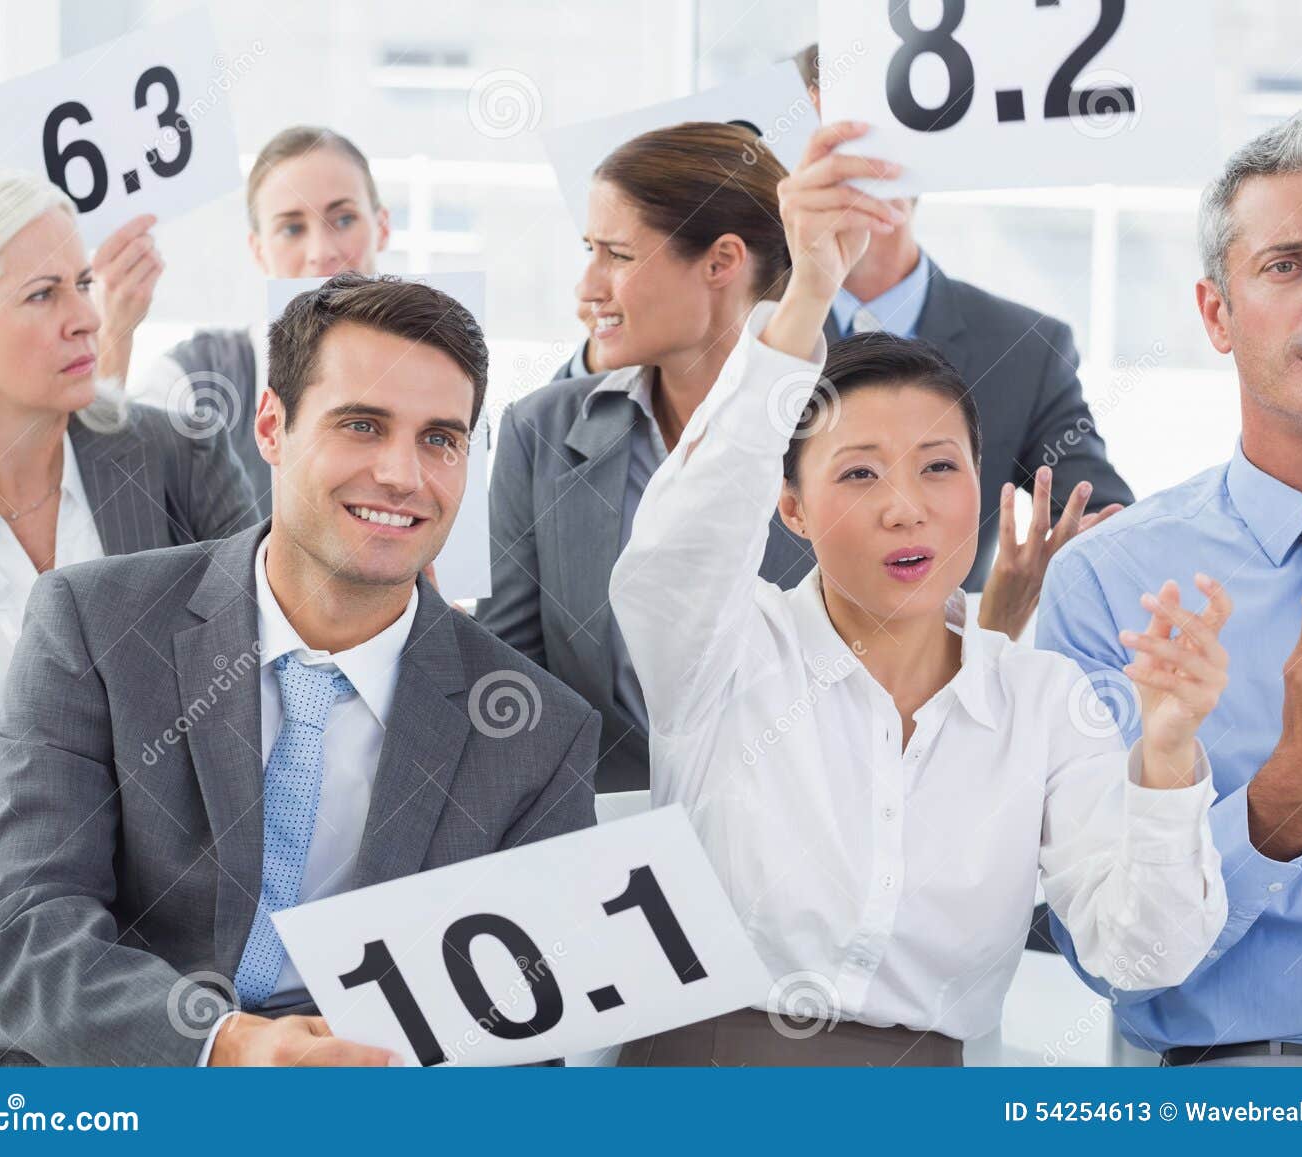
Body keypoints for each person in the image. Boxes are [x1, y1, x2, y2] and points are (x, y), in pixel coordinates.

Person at [608, 122, 1230, 1066]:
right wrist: (809, 290)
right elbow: (679, 545)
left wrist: (1171, 759)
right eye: (858, 474)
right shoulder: (723, 654)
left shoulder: (1043, 703)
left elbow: (1140, 951)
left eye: (941, 467)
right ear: (792, 508)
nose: (908, 508)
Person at [0, 273, 599, 1066]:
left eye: (440, 438)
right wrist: (224, 1047)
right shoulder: (93, 625)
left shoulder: (537, 729)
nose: (404, 475)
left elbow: (520, 1031)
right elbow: (24, 925)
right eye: (363, 425)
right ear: (271, 426)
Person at [485, 122, 1114, 793]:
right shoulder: (543, 428)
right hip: (599, 848)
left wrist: (991, 628)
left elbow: (901, 664)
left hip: (815, 834)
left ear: (722, 262)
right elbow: (512, 681)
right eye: (591, 251)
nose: (585, 288)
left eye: (615, 254)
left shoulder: (846, 440)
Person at [1038, 114, 1302, 1067]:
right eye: (1286, 266)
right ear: (1217, 312)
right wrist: (1292, 791)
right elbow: (1114, 957)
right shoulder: (1112, 586)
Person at [0, 165, 257, 1064]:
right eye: (44, 294)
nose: (86, 314)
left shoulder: (174, 454)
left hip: (183, 872)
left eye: (82, 282)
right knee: (31, 1045)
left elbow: (274, 641)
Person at [549, 45, 1134, 614]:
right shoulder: (738, 318)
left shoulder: (1024, 345)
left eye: (881, 133)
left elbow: (1103, 526)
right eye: (835, 139)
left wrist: (1014, 614)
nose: (862, 162)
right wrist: (606, 350)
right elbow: (582, 435)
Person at [120, 126, 392, 515]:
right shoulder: (193, 381)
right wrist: (114, 333)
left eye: (344, 220)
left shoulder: (436, 372)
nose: (321, 252)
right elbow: (120, 497)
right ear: (259, 250)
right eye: (292, 228)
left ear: (381, 227)